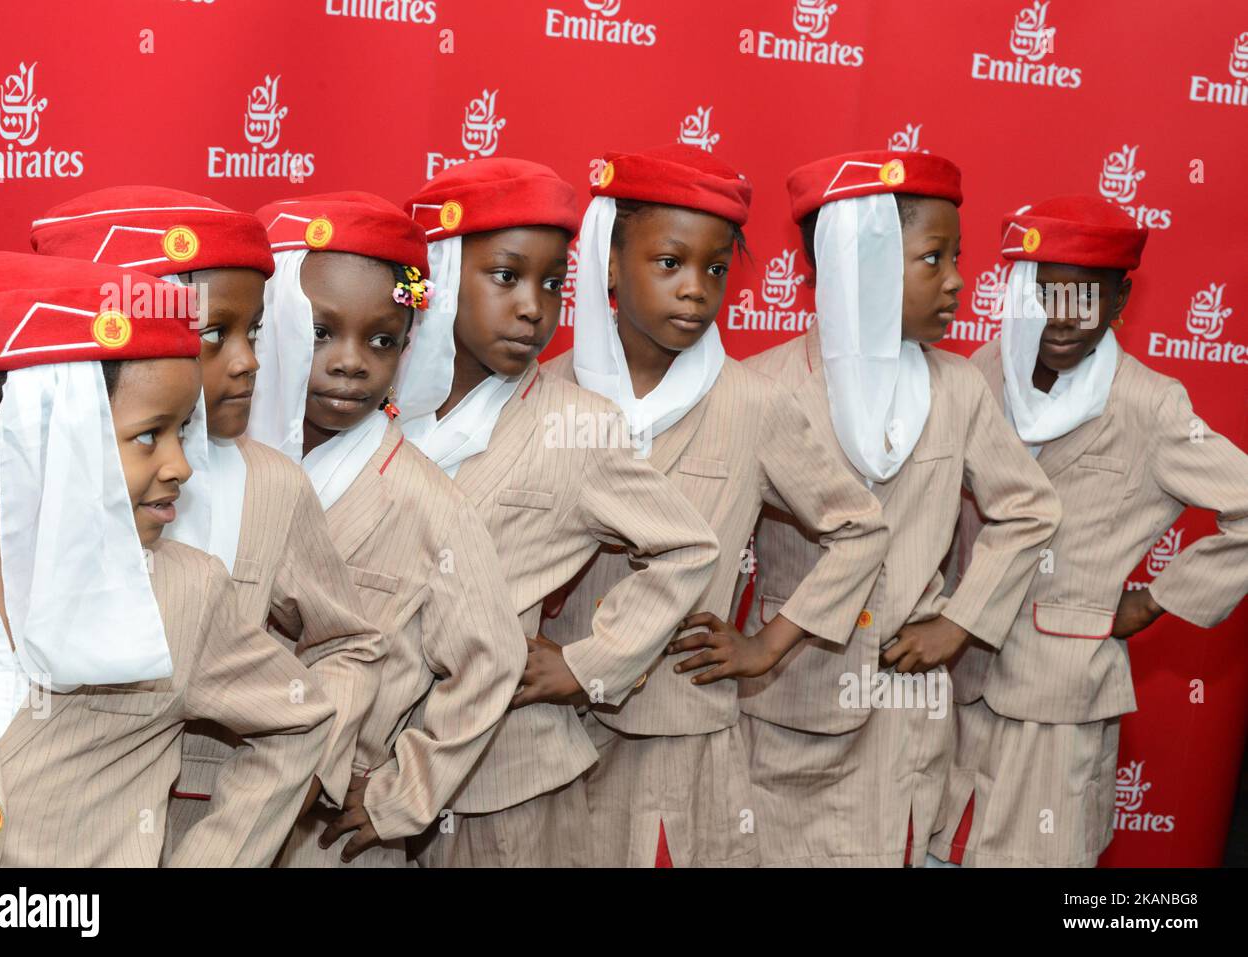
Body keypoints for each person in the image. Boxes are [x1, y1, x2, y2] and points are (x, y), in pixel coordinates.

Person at [699, 150, 1061, 866]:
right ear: (859, 265)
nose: (958, 280)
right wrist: (755, 643)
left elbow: (1028, 508)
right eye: (934, 259)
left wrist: (960, 620)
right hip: (795, 707)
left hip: (908, 710)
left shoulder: (956, 388)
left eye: (957, 256)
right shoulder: (763, 390)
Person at [544, 144, 888, 866]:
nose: (696, 289)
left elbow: (857, 526)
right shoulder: (546, 394)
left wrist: (766, 644)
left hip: (679, 733)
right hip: (549, 730)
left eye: (714, 269)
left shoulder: (752, 405)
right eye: (669, 263)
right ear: (609, 262)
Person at [0, 252, 334, 866]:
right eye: (151, 434)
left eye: (185, 430)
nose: (180, 465)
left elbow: (303, 718)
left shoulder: (185, 593)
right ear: (49, 432)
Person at [29, 186, 383, 845]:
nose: (247, 360)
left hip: (221, 813)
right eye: (213, 335)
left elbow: (350, 640)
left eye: (254, 331)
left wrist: (314, 763)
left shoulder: (271, 484)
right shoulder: (9, 489)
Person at [397, 157, 720, 866]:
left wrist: (589, 663)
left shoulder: (578, 424)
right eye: (506, 277)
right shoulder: (373, 410)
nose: (533, 307)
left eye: (551, 283)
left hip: (504, 776)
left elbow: (689, 547)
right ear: (439, 276)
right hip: (378, 769)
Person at [930, 195, 1248, 867]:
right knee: (936, 849)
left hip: (1062, 693)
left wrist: (1158, 598)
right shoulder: (977, 376)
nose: (1064, 317)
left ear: (1121, 298)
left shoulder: (1149, 404)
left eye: (1088, 296)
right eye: (1046, 295)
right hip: (954, 678)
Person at [238, 191, 525, 867]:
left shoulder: (429, 502)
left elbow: (493, 659)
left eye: (381, 339)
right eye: (320, 332)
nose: (350, 361)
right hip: (201, 799)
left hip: (328, 833)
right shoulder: (205, 471)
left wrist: (403, 795)